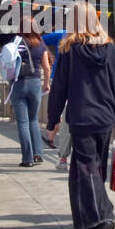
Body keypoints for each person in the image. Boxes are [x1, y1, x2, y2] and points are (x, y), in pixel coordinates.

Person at [47, 1, 115, 229]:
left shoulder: (69, 50)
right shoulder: (109, 48)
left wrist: (53, 119)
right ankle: (93, 220)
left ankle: (100, 217)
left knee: (86, 168)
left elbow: (59, 87)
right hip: (105, 117)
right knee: (95, 168)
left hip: (82, 116)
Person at [11, 19, 51, 167]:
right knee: (33, 119)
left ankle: (27, 158)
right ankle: (38, 153)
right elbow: (47, 67)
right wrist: (46, 84)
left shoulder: (16, 43)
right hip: (35, 83)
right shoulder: (41, 44)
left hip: (18, 82)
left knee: (22, 122)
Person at [42, 25, 70, 167]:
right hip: (62, 79)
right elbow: (41, 40)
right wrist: (48, 54)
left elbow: (41, 39)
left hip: (60, 78)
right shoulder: (95, 38)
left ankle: (52, 136)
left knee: (63, 116)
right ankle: (52, 135)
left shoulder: (62, 34)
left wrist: (48, 55)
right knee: (64, 117)